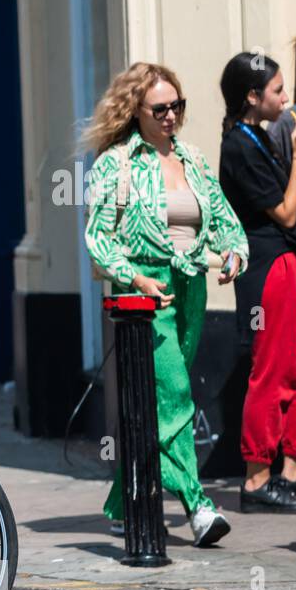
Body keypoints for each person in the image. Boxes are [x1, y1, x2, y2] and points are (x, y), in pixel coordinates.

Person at [84, 62, 248, 546]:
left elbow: (223, 219)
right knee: (176, 394)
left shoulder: (192, 159)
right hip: (144, 289)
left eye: (178, 105)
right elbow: (98, 239)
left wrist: (235, 253)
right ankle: (199, 507)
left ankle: (122, 500)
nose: (172, 115)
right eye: (161, 108)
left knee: (160, 404)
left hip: (190, 285)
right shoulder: (117, 163)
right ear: (136, 110)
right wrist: (134, 276)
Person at [218, 51, 296, 513]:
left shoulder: (255, 136)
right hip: (266, 266)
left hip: (286, 261)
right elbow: (287, 211)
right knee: (270, 372)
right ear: (253, 97)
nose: (286, 97)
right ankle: (256, 479)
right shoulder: (238, 145)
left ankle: (290, 474)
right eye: (277, 90)